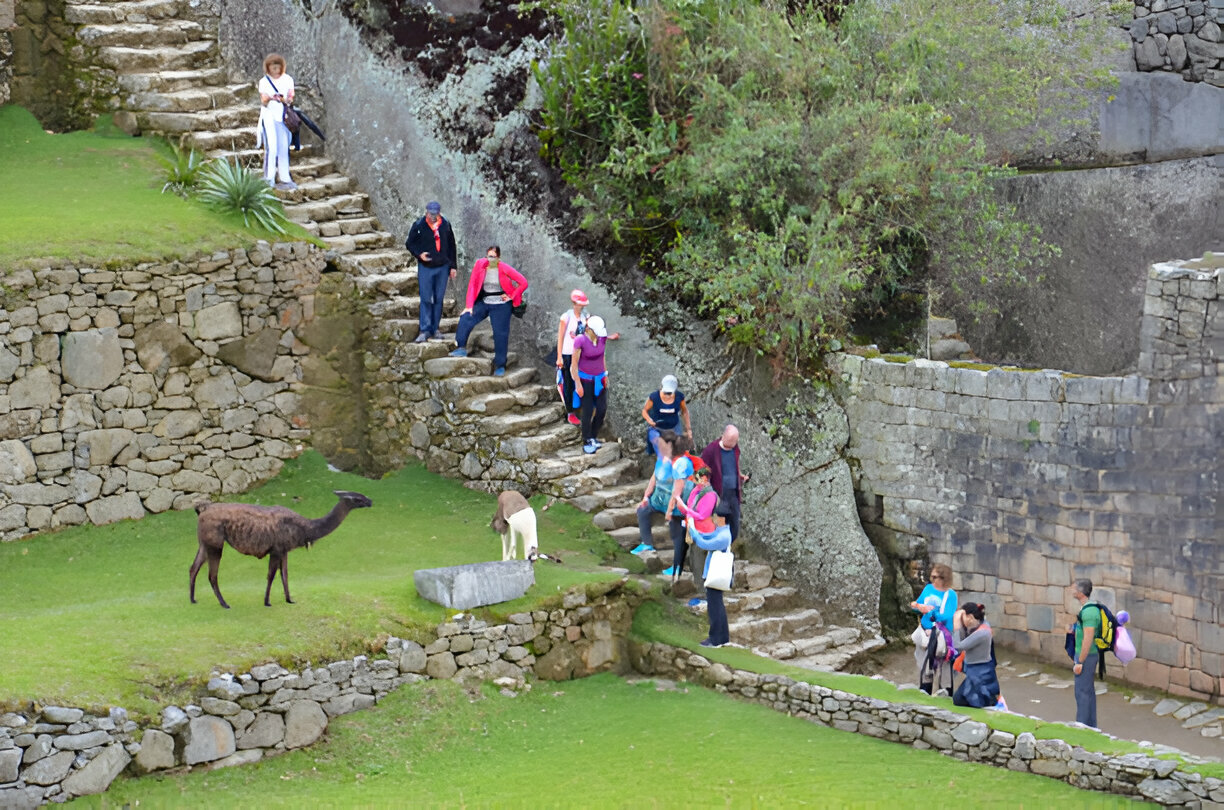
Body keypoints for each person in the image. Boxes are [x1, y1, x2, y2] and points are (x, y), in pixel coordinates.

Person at [449, 246, 527, 377]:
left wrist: (511, 295)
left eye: (493, 257)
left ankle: (500, 365)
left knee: (500, 333)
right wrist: (469, 306)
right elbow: (473, 285)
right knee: (466, 317)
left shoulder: (504, 268)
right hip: (485, 301)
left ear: (498, 258)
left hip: (501, 304)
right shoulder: (480, 265)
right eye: (488, 256)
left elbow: (523, 282)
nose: (490, 260)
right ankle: (461, 347)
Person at [405, 201, 459, 344]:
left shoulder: (445, 225)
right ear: (426, 212)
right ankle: (424, 330)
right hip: (426, 267)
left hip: (443, 267)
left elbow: (452, 245)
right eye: (431, 214)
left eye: (436, 214)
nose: (433, 217)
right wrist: (419, 254)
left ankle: (435, 328)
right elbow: (410, 243)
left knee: (439, 298)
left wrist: (453, 266)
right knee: (426, 298)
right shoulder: (419, 225)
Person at [632, 430, 689, 556]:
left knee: (676, 527)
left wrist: (669, 510)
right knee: (642, 510)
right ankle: (647, 544)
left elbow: (677, 491)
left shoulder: (679, 463)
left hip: (674, 504)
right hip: (658, 500)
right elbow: (654, 478)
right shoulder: (661, 459)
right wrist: (646, 497)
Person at [684, 502, 732, 649]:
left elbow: (705, 544)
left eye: (716, 516)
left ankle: (715, 639)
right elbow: (707, 535)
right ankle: (723, 637)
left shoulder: (723, 536)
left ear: (722, 518)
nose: (714, 518)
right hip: (714, 573)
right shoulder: (721, 531)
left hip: (715, 575)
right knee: (718, 605)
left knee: (714, 607)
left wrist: (693, 532)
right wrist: (694, 529)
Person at [910, 563, 957, 694]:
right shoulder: (928, 588)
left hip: (941, 635)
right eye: (932, 576)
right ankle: (925, 693)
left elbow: (947, 615)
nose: (933, 579)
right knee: (925, 666)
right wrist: (917, 607)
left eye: (936, 577)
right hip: (925, 633)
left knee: (944, 668)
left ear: (944, 578)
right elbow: (918, 604)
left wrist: (930, 612)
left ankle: (945, 695)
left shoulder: (951, 595)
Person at [571, 315, 612, 453]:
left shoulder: (602, 338)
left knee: (601, 409)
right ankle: (586, 439)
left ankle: (593, 436)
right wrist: (577, 384)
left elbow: (602, 356)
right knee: (587, 410)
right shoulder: (580, 340)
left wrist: (605, 374)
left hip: (599, 379)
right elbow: (574, 364)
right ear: (589, 329)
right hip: (585, 380)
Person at [701, 424, 749, 542]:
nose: (730, 446)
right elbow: (701, 471)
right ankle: (717, 549)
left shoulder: (735, 448)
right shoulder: (711, 450)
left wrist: (740, 476)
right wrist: (707, 490)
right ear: (723, 436)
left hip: (733, 494)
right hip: (719, 495)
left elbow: (734, 464)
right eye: (728, 443)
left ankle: (727, 548)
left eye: (733, 443)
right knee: (718, 528)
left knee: (734, 528)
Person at [257, 54, 296, 191]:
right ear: (268, 68)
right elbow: (263, 99)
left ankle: (285, 178)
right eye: (273, 67)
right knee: (272, 148)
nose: (275, 70)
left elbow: (290, 97)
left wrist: (284, 98)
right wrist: (270, 97)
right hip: (269, 116)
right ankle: (269, 178)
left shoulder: (288, 79)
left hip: (283, 116)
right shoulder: (264, 81)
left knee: (284, 147)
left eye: (277, 67)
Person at [952, 602, 1001, 708]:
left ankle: (992, 700)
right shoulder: (976, 625)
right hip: (974, 670)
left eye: (963, 617)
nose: (961, 620)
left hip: (981, 672)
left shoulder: (982, 632)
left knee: (974, 701)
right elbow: (963, 639)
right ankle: (990, 698)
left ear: (970, 617)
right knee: (959, 699)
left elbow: (958, 646)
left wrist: (956, 627)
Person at [1069, 578, 1101, 728]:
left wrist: (1080, 662)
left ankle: (1082, 726)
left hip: (1086, 657)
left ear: (1081, 592)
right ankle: (1091, 725)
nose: (1072, 590)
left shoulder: (1089, 612)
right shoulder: (1088, 609)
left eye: (1074, 588)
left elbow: (1088, 639)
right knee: (1087, 691)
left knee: (1082, 692)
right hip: (1087, 655)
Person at [555, 289, 589, 426]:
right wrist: (559, 357)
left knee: (582, 381)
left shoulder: (585, 317)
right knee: (568, 383)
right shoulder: (566, 317)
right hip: (567, 354)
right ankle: (570, 412)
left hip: (580, 354)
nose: (581, 306)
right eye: (579, 304)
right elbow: (560, 337)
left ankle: (583, 409)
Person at [642, 375, 691, 456]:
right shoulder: (654, 397)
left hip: (674, 426)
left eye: (670, 392)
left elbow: (685, 411)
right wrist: (649, 420)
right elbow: (644, 410)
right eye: (666, 392)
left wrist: (688, 429)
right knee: (660, 450)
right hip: (657, 427)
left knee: (678, 449)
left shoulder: (679, 397)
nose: (668, 395)